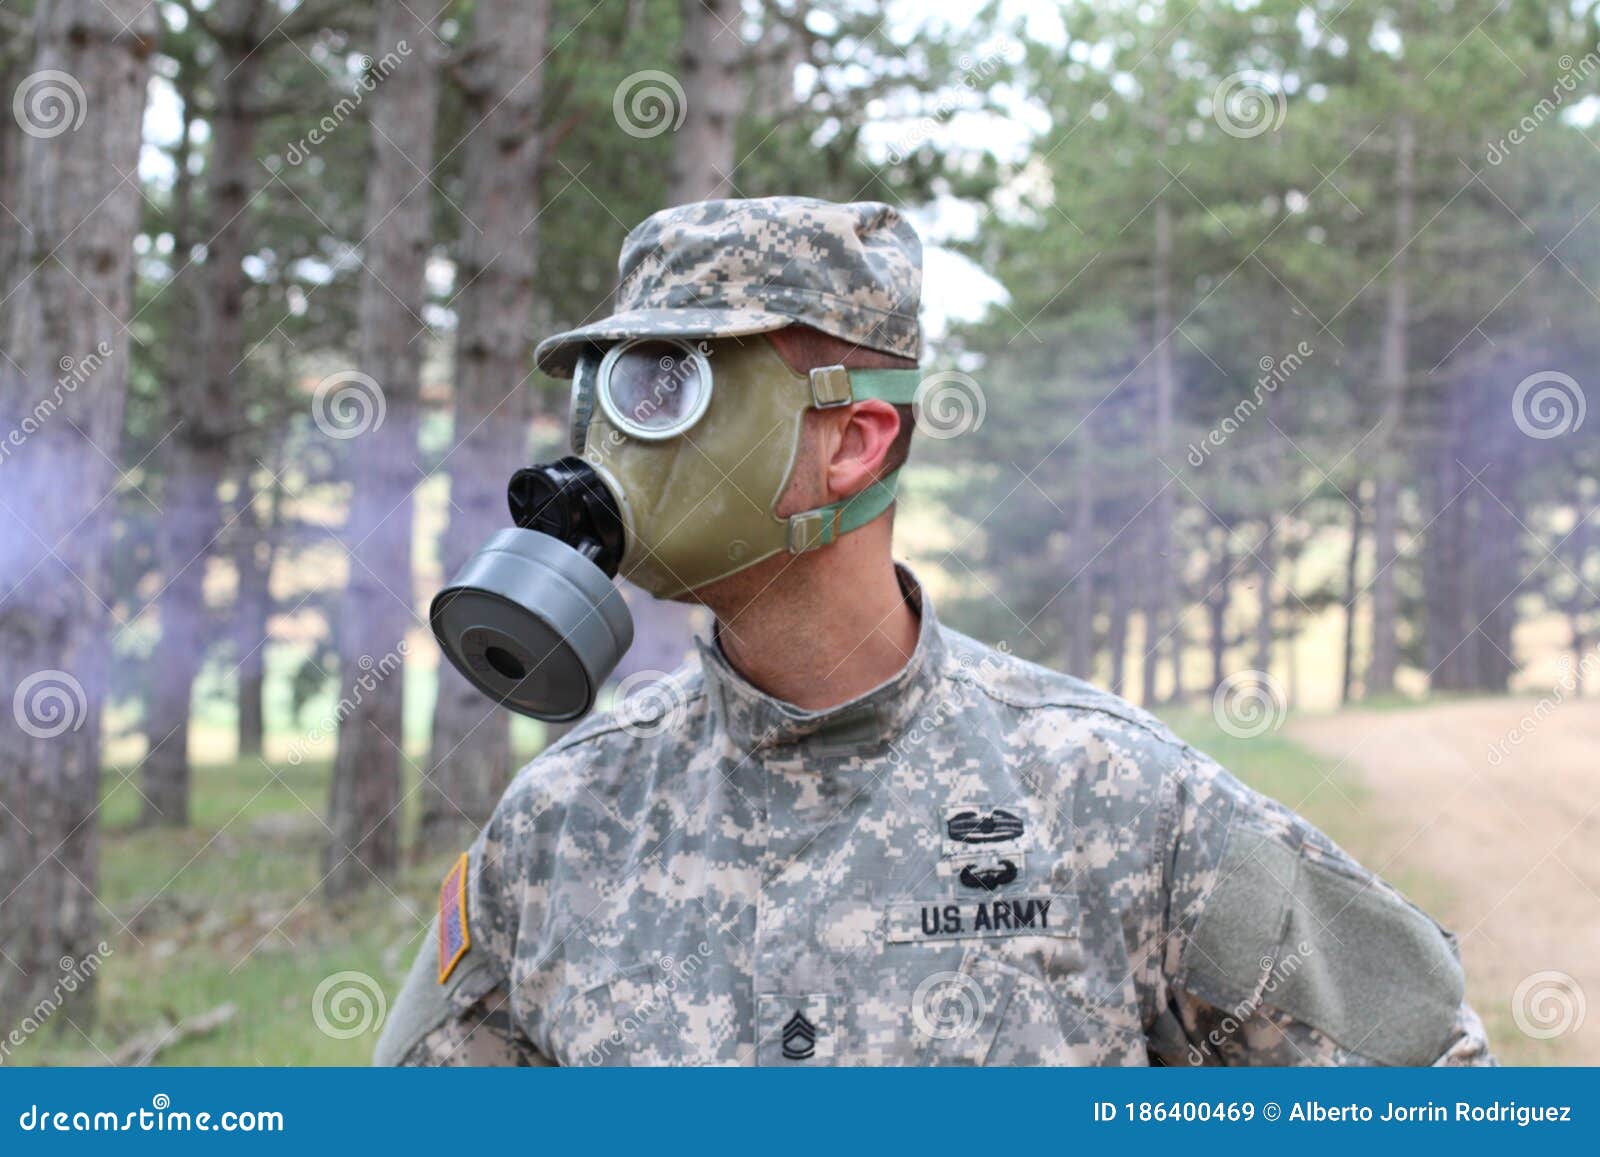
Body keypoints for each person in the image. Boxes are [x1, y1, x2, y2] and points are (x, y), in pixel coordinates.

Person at [375, 196, 1493, 1066]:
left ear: (853, 441)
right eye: (611, 389)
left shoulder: (1115, 799)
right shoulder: (563, 825)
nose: (612, 446)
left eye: (672, 388)